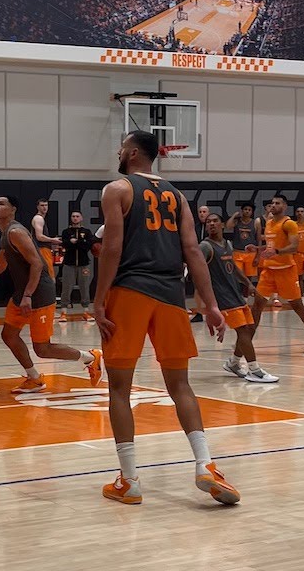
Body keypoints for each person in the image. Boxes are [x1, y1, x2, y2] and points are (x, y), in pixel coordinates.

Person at [95, 131, 239, 506]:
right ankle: (206, 465)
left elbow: (112, 248)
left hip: (129, 292)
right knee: (180, 386)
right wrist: (211, 305)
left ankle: (129, 481)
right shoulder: (177, 196)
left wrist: (98, 300)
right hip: (172, 295)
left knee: (119, 389)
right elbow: (192, 250)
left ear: (132, 152)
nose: (118, 152)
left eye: (121, 147)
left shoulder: (117, 189)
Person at [0, 196, 102, 394]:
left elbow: (37, 263)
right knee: (9, 335)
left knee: (42, 349)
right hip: (22, 294)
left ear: (13, 209)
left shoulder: (16, 232)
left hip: (39, 294)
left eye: (2, 204)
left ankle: (90, 357)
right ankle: (34, 378)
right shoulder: (6, 234)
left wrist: (28, 295)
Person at [203, 214, 277, 383]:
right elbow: (196, 270)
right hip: (222, 296)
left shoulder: (228, 244)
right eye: (208, 222)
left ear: (222, 225)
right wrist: (206, 305)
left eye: (215, 221)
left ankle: (234, 363)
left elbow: (234, 268)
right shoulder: (205, 247)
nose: (212, 224)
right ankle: (254, 370)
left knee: (249, 328)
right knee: (243, 330)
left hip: (235, 293)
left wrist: (248, 284)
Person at [251, 195, 304, 353]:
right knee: (257, 306)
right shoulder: (269, 223)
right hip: (269, 271)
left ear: (285, 206)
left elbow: (294, 247)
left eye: (277, 203)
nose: (273, 205)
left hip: (286, 270)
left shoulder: (289, 224)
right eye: (272, 203)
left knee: (297, 306)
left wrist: (277, 252)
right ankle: (247, 340)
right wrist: (258, 249)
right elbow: (271, 246)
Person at [58, 211, 94, 322]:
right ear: (71, 218)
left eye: (77, 216)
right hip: (69, 264)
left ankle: (86, 312)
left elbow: (88, 246)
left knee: (85, 287)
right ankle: (63, 312)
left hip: (84, 264)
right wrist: (72, 243)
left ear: (81, 218)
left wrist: (76, 242)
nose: (75, 218)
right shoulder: (66, 232)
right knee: (66, 288)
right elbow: (65, 244)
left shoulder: (87, 232)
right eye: (73, 216)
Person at [226, 203, 261, 289]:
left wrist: (258, 256)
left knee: (249, 278)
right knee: (237, 276)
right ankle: (238, 294)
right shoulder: (237, 221)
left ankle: (247, 295)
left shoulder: (255, 223)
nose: (247, 211)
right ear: (242, 211)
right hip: (238, 252)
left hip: (251, 254)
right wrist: (234, 215)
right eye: (245, 209)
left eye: (249, 210)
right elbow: (228, 226)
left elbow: (259, 239)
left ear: (252, 212)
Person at [31, 199, 59, 277]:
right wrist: (53, 240)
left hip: (42, 249)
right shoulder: (38, 219)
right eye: (42, 205)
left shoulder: (40, 219)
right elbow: (39, 237)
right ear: (37, 207)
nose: (44, 207)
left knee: (45, 274)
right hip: (42, 250)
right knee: (49, 275)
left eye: (46, 205)